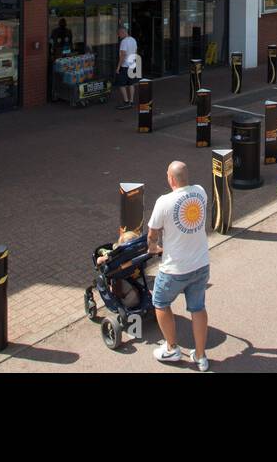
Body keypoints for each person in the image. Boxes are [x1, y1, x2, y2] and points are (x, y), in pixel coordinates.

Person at [147, 161, 211, 371]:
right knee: (198, 307)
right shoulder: (200, 192)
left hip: (175, 268)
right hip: (200, 264)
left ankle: (171, 347)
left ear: (171, 179)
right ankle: (200, 356)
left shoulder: (163, 202)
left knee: (160, 301)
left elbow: (152, 234)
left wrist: (153, 248)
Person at [115, 25, 140, 109]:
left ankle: (126, 101)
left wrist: (118, 67)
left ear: (123, 32)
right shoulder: (133, 40)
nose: (119, 36)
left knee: (121, 84)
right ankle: (131, 101)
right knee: (131, 84)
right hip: (132, 65)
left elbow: (123, 55)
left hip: (125, 66)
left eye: (119, 34)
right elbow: (135, 52)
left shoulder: (124, 42)